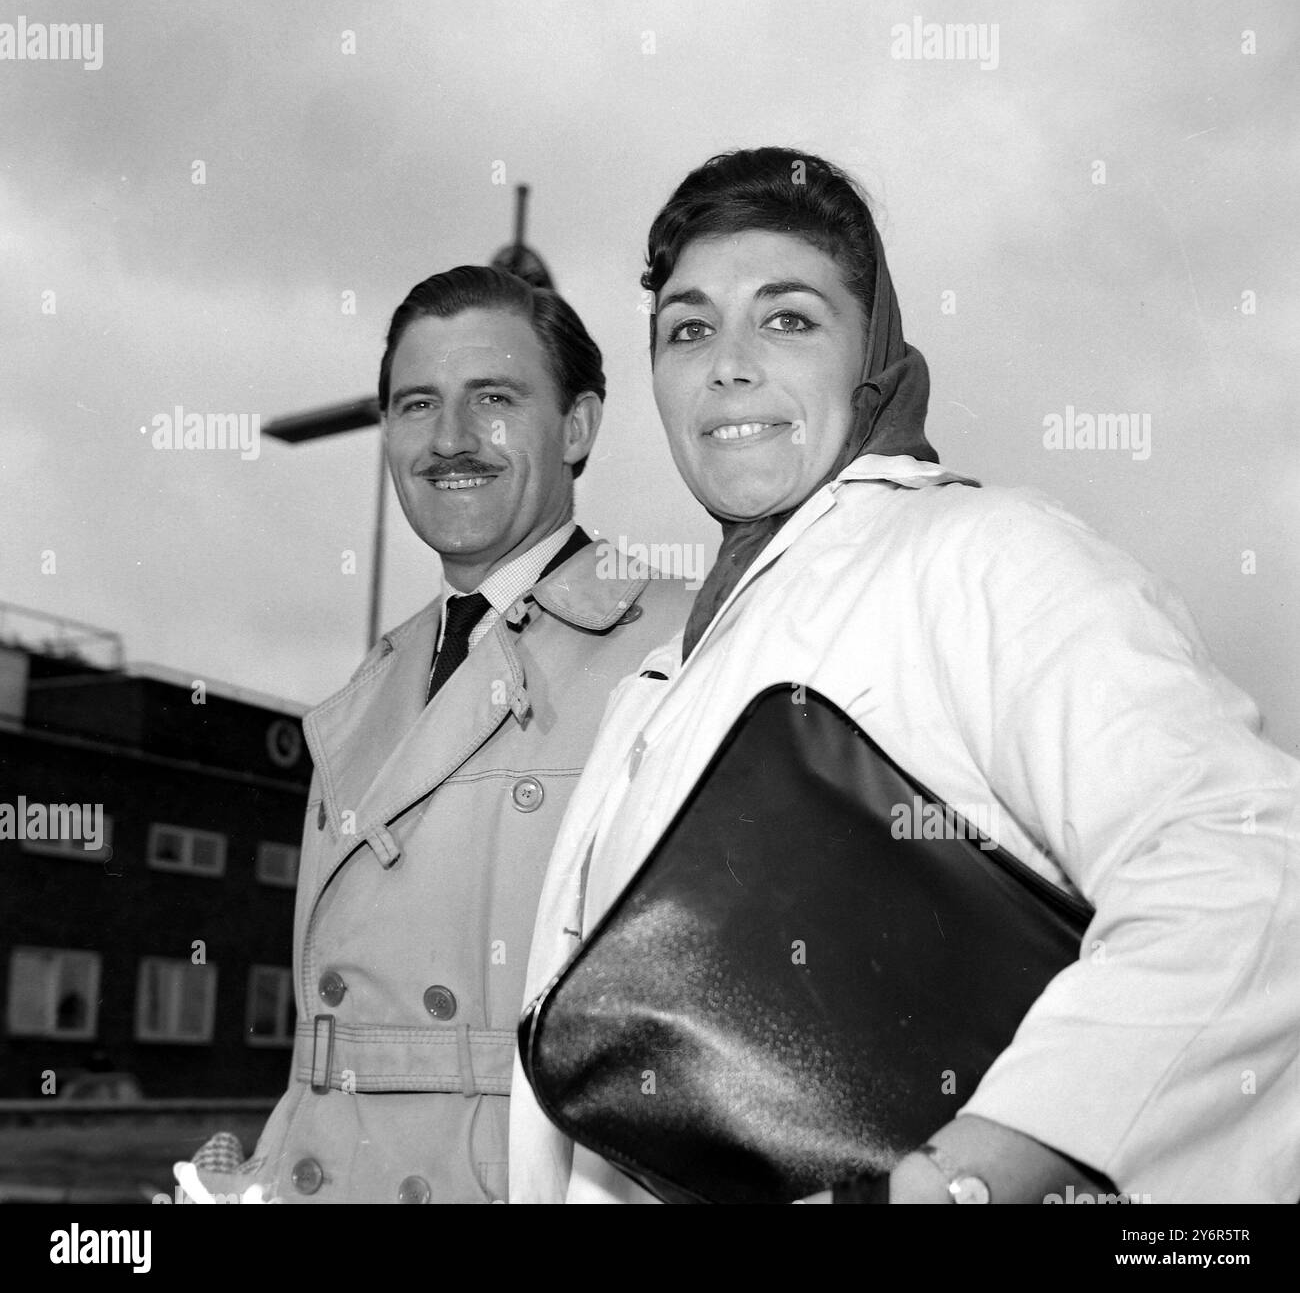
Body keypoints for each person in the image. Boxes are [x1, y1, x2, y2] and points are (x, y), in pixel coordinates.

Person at [509, 148, 1300, 1204]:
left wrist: (969, 1174)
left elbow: (1244, 870)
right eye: (689, 329)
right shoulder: (658, 680)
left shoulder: (982, 551)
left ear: (871, 349)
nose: (728, 364)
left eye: (787, 318)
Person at [234, 266, 691, 1202]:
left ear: (577, 428)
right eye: (416, 405)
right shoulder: (371, 687)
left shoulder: (682, 649)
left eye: (493, 399)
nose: (449, 439)